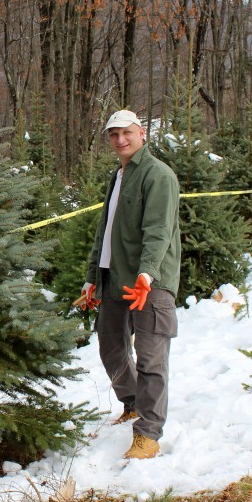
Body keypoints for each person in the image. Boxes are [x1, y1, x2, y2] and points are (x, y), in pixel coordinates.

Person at [78, 110, 180, 460]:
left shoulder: (158, 175)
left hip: (147, 283)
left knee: (151, 358)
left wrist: (147, 274)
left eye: (126, 133)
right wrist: (93, 277)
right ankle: (133, 403)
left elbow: (158, 230)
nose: (120, 140)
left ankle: (148, 433)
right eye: (113, 134)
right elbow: (105, 232)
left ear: (142, 133)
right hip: (114, 277)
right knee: (111, 347)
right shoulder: (118, 175)